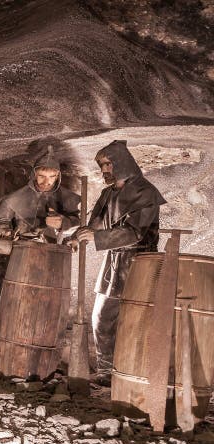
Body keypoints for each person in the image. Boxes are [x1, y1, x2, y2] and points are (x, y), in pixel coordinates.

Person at [76, 140, 166, 385]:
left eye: (108, 164)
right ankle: (106, 372)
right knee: (102, 317)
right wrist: (80, 236)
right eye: (102, 165)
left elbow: (135, 232)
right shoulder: (108, 193)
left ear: (122, 162)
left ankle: (132, 371)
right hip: (114, 261)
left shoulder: (145, 193)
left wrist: (96, 236)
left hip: (140, 263)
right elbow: (95, 222)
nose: (104, 169)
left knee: (136, 321)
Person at [0, 146, 80, 242]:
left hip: (54, 247)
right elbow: (2, 221)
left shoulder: (69, 197)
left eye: (51, 177)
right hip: (21, 244)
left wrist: (63, 223)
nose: (46, 182)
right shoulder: (15, 198)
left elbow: (78, 223)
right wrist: (6, 232)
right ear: (34, 175)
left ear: (57, 176)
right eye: (41, 176)